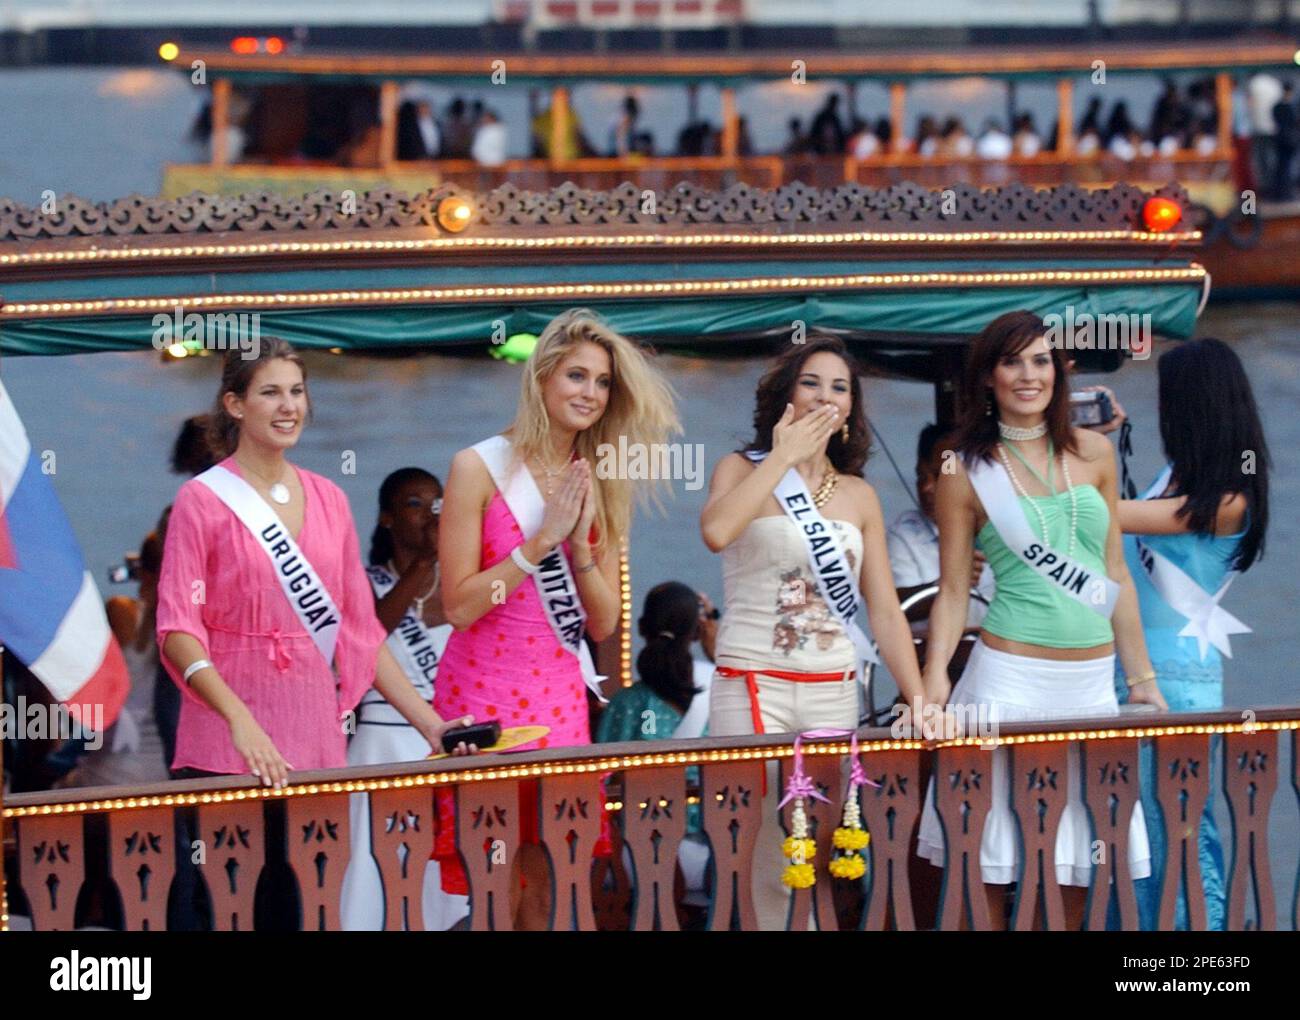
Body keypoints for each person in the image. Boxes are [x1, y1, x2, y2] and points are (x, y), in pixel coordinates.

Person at [914, 310, 1166, 930]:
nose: (1029, 375)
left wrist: (1143, 682)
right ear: (989, 378)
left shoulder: (1096, 453)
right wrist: (932, 689)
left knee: (1077, 865)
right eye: (1012, 362)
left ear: (1058, 370)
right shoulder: (961, 466)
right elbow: (952, 591)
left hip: (1090, 686)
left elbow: (1116, 575)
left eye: (1040, 360)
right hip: (1008, 681)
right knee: (993, 868)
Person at [435, 308, 680, 928]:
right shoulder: (477, 466)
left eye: (601, 383)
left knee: (549, 873)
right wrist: (537, 546)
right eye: (576, 376)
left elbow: (601, 625)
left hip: (558, 697)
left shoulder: (597, 477)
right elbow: (459, 606)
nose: (590, 394)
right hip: (482, 692)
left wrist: (580, 552)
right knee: (494, 875)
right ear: (542, 377)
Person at [156, 341, 475, 789]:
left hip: (316, 741)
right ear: (235, 405)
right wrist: (238, 720)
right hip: (227, 742)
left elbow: (360, 633)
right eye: (270, 393)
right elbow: (177, 630)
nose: (289, 407)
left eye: (297, 391)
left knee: (318, 861)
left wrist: (432, 726)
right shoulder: (201, 499)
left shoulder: (330, 499)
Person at [700, 334, 926, 929]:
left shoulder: (859, 496)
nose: (825, 395)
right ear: (785, 395)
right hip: (752, 684)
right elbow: (717, 532)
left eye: (840, 386)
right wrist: (780, 457)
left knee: (824, 851)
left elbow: (884, 612)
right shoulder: (739, 469)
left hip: (831, 688)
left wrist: (921, 697)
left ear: (851, 409)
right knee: (761, 853)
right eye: (811, 382)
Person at [1107, 339, 1269, 931]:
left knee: (1181, 838)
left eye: (1169, 401)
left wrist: (1083, 455)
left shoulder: (1230, 502)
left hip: (1175, 687)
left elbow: (1109, 517)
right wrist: (1103, 445)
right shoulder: (1170, 478)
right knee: (1135, 841)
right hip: (1130, 676)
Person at [340, 467, 470, 930]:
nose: (427, 514)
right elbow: (366, 635)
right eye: (413, 505)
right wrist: (424, 565)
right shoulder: (364, 580)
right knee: (373, 867)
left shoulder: (462, 586)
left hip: (445, 744)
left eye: (436, 504)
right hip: (379, 745)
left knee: (437, 877)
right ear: (387, 518)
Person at [596, 580, 715, 907]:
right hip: (715, 854)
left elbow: (600, 781)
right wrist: (717, 652)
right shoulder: (722, 696)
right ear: (697, 632)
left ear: (642, 629)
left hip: (630, 858)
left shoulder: (627, 703)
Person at [75, 528, 170, 786]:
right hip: (170, 779)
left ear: (143, 573)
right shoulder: (198, 629)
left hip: (108, 774)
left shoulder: (122, 611)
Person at [887, 424, 995, 632]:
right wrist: (947, 583)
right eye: (920, 477)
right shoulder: (904, 535)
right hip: (930, 657)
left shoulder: (1004, 525)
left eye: (939, 476)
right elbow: (892, 609)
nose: (926, 487)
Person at [1271, 82, 1297, 200]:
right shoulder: (1291, 107)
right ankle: (1284, 193)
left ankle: (1281, 193)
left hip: (1280, 138)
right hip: (1288, 140)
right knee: (1285, 167)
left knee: (1281, 166)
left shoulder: (1277, 106)